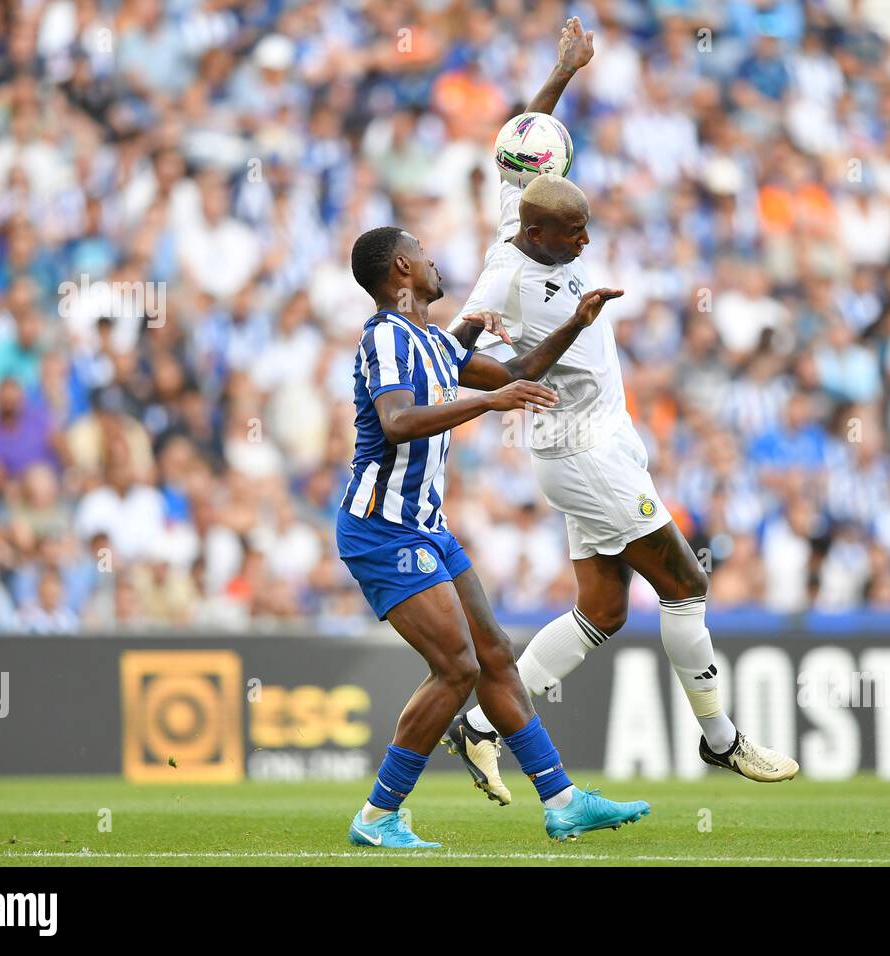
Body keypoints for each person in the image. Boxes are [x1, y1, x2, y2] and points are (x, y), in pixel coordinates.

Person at [443, 18, 798, 806]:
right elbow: (451, 350)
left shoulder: (525, 217)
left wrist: (561, 72)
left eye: (585, 230)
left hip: (605, 439)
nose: (585, 240)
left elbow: (522, 148)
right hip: (579, 451)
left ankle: (480, 728)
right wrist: (503, 379)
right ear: (539, 233)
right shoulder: (505, 270)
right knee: (688, 583)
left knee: (602, 609)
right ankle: (722, 741)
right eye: (574, 235)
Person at [338, 224, 648, 848]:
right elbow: (397, 423)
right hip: (381, 527)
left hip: (424, 525)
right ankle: (377, 817)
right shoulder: (387, 338)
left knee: (496, 655)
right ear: (401, 267)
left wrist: (577, 323)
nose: (434, 258)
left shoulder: (431, 342)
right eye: (423, 251)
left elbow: (518, 369)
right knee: (456, 667)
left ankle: (562, 800)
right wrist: (490, 403)